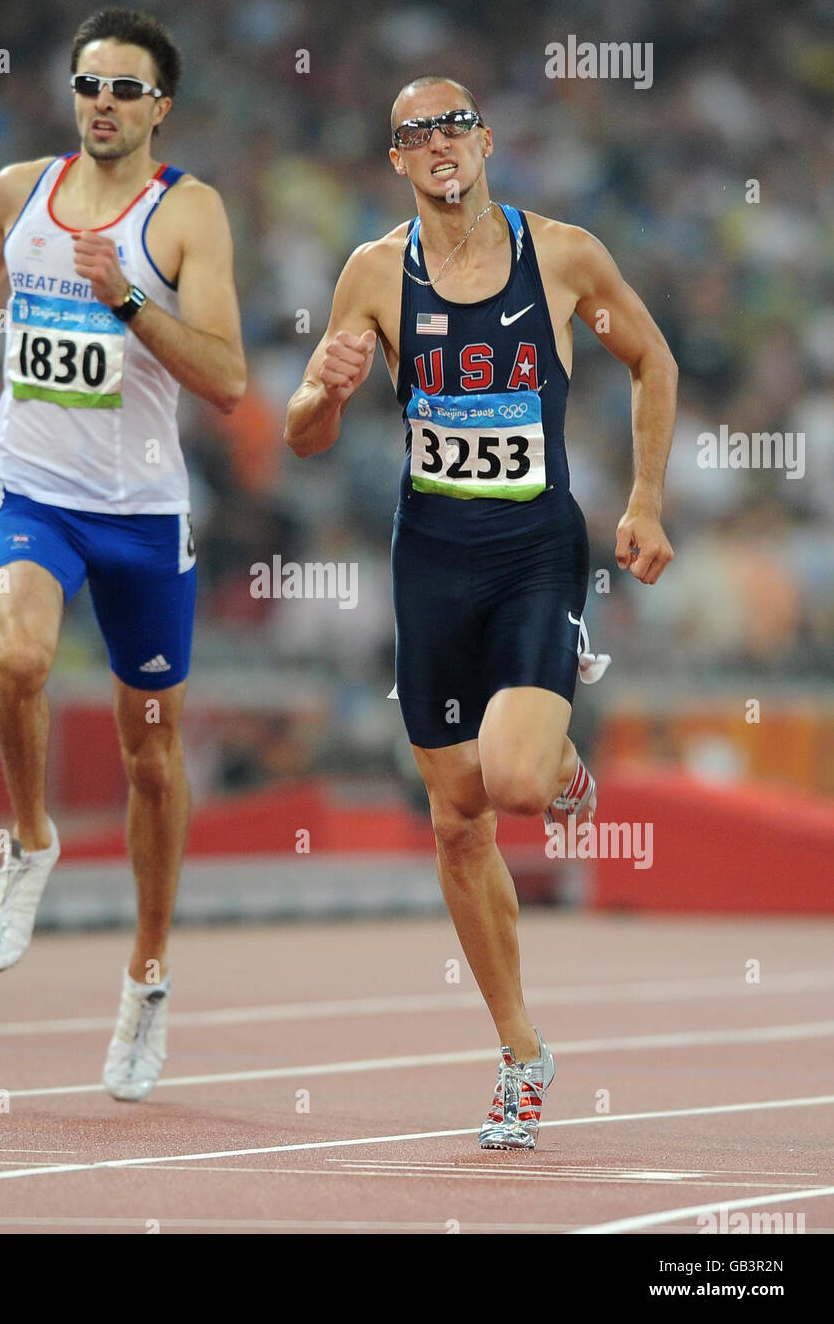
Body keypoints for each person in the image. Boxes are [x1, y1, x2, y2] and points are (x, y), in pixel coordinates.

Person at [284, 76, 676, 1148]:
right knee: (456, 817)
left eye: (454, 124)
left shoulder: (562, 255)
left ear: (485, 140)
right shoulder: (371, 275)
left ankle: (554, 756)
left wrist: (643, 498)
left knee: (508, 779)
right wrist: (320, 393)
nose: (439, 144)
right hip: (431, 558)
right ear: (397, 160)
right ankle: (519, 1050)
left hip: (536, 550)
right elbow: (302, 435)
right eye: (415, 132)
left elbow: (651, 359)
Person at [0, 7, 245, 1102]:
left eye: (123, 88)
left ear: (160, 105)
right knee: (18, 659)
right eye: (87, 85)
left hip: (144, 516)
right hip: (32, 487)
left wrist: (126, 299)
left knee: (151, 756)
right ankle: (29, 838)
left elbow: (228, 377)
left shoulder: (188, 215)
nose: (101, 103)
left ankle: (147, 979)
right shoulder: (18, 191)